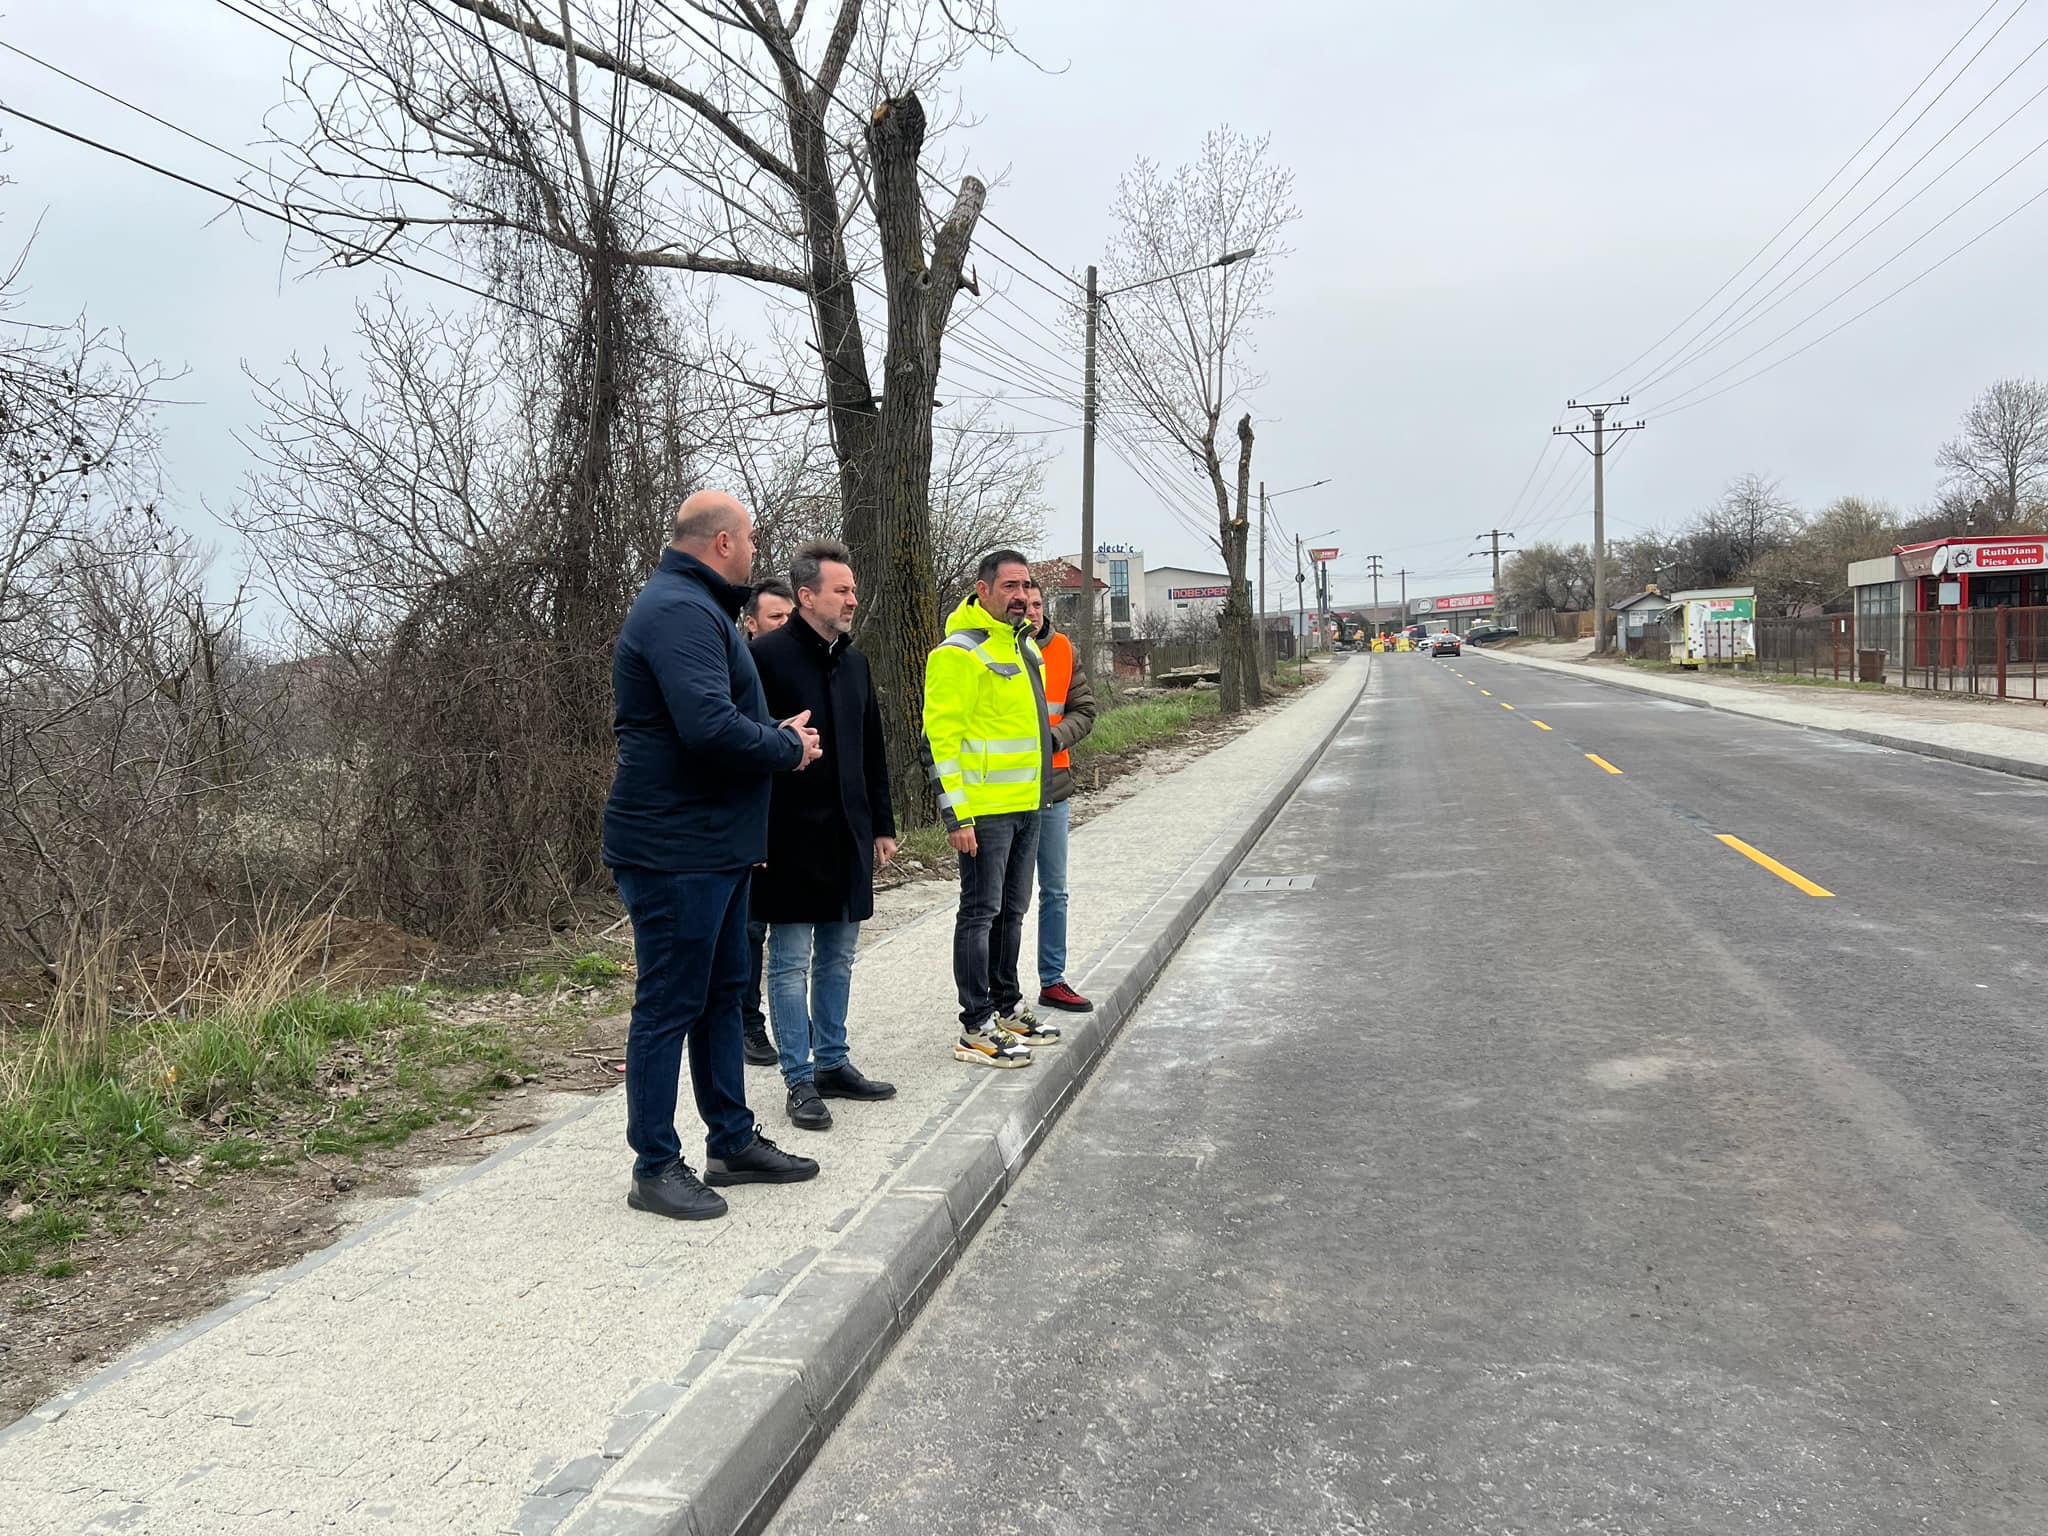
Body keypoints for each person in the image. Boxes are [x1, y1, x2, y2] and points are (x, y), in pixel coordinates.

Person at [603, 490, 823, 1222]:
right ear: (724, 543)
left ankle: (730, 1141)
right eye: (752, 538)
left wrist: (768, 729)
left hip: (714, 846)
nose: (757, 550)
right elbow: (704, 727)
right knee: (670, 1001)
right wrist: (784, 746)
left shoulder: (695, 607)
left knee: (724, 993)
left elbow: (718, 717)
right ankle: (654, 1165)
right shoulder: (675, 609)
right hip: (674, 849)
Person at [750, 541, 898, 1130]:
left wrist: (881, 824)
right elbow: (740, 743)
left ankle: (834, 1063)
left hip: (849, 831)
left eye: (854, 590)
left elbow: (873, 749)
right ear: (806, 595)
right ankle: (799, 1078)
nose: (852, 599)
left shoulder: (855, 661)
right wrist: (751, 839)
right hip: (785, 834)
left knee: (838, 956)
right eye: (842, 590)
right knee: (788, 961)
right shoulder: (764, 659)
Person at [922, 549, 1063, 1069]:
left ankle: (1007, 1006)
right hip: (984, 812)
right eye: (1009, 586)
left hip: (1027, 804)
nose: (1022, 596)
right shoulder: (958, 653)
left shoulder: (1025, 648)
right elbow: (940, 741)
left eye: (1026, 586)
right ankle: (976, 1025)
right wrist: (956, 816)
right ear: (982, 591)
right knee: (980, 914)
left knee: (1013, 911)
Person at [1024, 581, 1098, 1015]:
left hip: (1052, 786)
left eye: (1037, 604)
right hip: (1006, 792)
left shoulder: (1064, 649)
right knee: (1005, 900)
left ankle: (1053, 979)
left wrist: (1053, 737)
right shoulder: (995, 651)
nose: (1032, 610)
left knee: (1054, 890)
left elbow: (1084, 710)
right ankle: (1003, 990)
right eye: (1025, 603)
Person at [739, 577, 795, 1069]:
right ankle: (746, 1021)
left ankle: (789, 1024)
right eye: (776, 617)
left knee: (786, 929)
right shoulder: (739, 669)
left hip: (794, 816)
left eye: (790, 616)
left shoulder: (800, 662)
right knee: (751, 927)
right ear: (751, 623)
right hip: (752, 815)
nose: (785, 625)